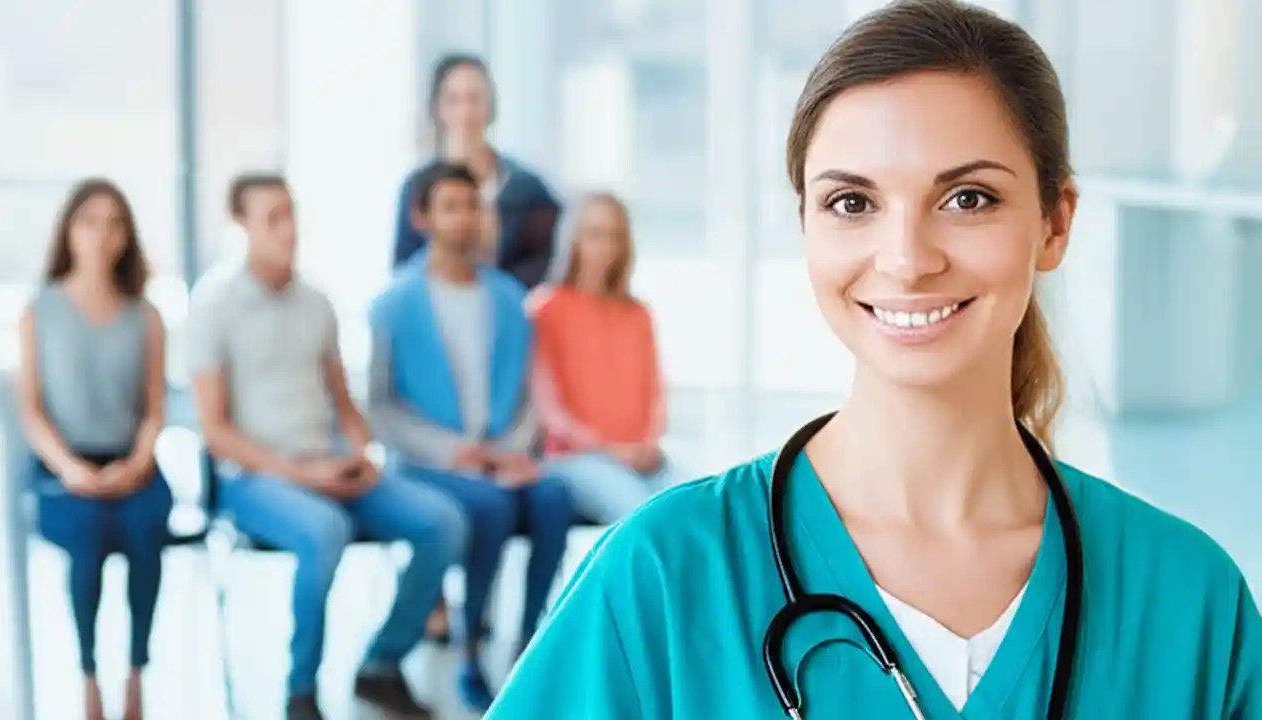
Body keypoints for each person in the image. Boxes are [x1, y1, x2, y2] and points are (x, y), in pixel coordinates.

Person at [489, 2, 1262, 718]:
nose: (906, 259)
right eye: (852, 203)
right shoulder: (665, 575)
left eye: (968, 199)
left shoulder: (1189, 603)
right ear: (806, 225)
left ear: (1055, 224)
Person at [187, 173, 467, 720]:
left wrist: (364, 453)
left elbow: (345, 406)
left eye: (291, 214)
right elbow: (215, 430)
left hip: (328, 469)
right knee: (324, 529)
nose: (288, 230)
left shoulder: (316, 303)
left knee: (443, 523)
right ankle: (301, 692)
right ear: (241, 226)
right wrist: (297, 474)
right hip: (253, 478)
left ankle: (381, 665)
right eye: (272, 218)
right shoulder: (213, 306)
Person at [368, 162, 574, 712]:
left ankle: (533, 643)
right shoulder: (393, 303)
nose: (465, 218)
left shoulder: (508, 297)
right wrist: (456, 454)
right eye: (451, 206)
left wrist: (512, 452)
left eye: (473, 205)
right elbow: (382, 408)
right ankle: (469, 651)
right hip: (429, 462)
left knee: (553, 497)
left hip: (502, 454)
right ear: (423, 217)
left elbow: (529, 391)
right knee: (491, 508)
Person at [16, 179, 172, 720]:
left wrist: (137, 462)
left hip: (133, 461)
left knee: (145, 529)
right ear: (69, 231)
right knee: (86, 535)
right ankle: (88, 676)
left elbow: (155, 408)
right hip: (62, 466)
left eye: (114, 223)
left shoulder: (146, 316)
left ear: (127, 236)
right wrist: (72, 469)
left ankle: (135, 672)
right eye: (89, 221)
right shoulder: (40, 312)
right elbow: (31, 411)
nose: (101, 235)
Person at [529, 193, 674, 525]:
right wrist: (610, 449)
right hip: (574, 459)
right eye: (594, 234)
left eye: (615, 235)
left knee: (704, 506)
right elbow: (550, 411)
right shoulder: (545, 308)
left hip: (641, 457)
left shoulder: (638, 314)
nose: (606, 247)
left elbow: (655, 393)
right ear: (573, 239)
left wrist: (646, 444)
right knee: (645, 517)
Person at [392, 53, 560, 288]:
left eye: (474, 99)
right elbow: (402, 269)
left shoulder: (528, 189)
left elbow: (548, 264)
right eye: (454, 100)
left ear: (490, 106)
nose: (465, 113)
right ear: (439, 108)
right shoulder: (416, 187)